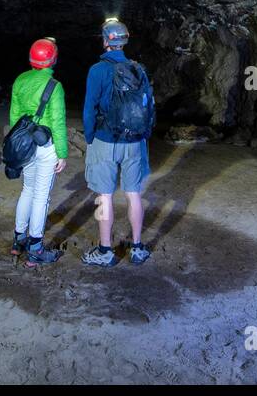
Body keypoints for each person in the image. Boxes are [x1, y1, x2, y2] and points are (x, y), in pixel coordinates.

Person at [81, 18, 156, 267]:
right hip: (134, 140)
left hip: (105, 139)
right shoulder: (139, 69)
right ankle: (137, 247)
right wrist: (144, 136)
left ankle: (105, 250)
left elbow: (89, 108)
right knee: (134, 194)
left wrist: (89, 136)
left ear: (105, 41)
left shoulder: (97, 70)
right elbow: (148, 105)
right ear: (125, 41)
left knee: (105, 195)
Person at [8, 37, 68, 267]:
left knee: (27, 190)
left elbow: (15, 117)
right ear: (53, 59)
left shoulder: (20, 80)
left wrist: (19, 144)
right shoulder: (54, 85)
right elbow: (58, 122)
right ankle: (35, 249)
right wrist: (62, 153)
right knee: (41, 197)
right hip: (45, 147)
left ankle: (18, 240)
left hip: (25, 145)